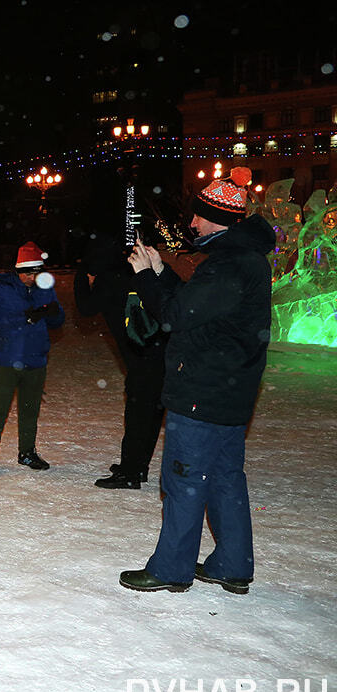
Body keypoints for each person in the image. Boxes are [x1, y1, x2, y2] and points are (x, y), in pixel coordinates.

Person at [119, 167, 274, 594]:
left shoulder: (229, 265)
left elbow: (174, 316)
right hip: (230, 391)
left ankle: (171, 568)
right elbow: (193, 304)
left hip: (202, 393)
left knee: (184, 480)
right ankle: (232, 563)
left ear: (219, 219)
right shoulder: (243, 260)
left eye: (199, 217)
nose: (192, 224)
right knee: (225, 477)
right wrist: (160, 272)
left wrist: (147, 278)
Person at [74, 232, 167, 489]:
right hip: (160, 353)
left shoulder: (108, 280)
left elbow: (85, 308)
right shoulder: (131, 274)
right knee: (151, 414)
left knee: (138, 414)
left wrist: (82, 278)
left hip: (143, 359)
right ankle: (138, 466)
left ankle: (130, 472)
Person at [0, 241, 65, 473]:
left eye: (35, 273)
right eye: (26, 273)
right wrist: (22, 318)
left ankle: (27, 452)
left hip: (35, 358)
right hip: (7, 358)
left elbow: (57, 320)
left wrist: (54, 314)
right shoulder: (1, 288)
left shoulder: (45, 288)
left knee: (30, 409)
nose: (30, 278)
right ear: (18, 271)